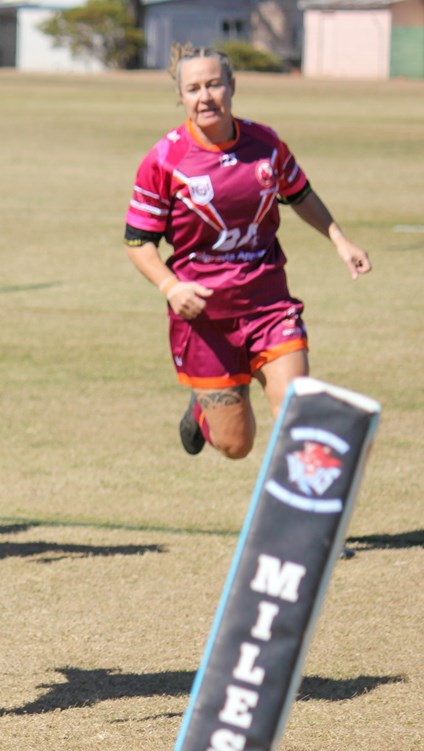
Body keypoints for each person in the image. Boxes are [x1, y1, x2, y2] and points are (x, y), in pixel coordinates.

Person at [125, 44, 371, 459]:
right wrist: (171, 287)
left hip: (269, 303)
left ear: (232, 86)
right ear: (181, 97)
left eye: (214, 84)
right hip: (205, 315)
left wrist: (339, 239)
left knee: (297, 408)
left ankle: (301, 517)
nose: (205, 96)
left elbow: (300, 194)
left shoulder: (266, 143)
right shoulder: (164, 159)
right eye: (193, 88)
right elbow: (138, 242)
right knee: (236, 445)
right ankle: (202, 414)